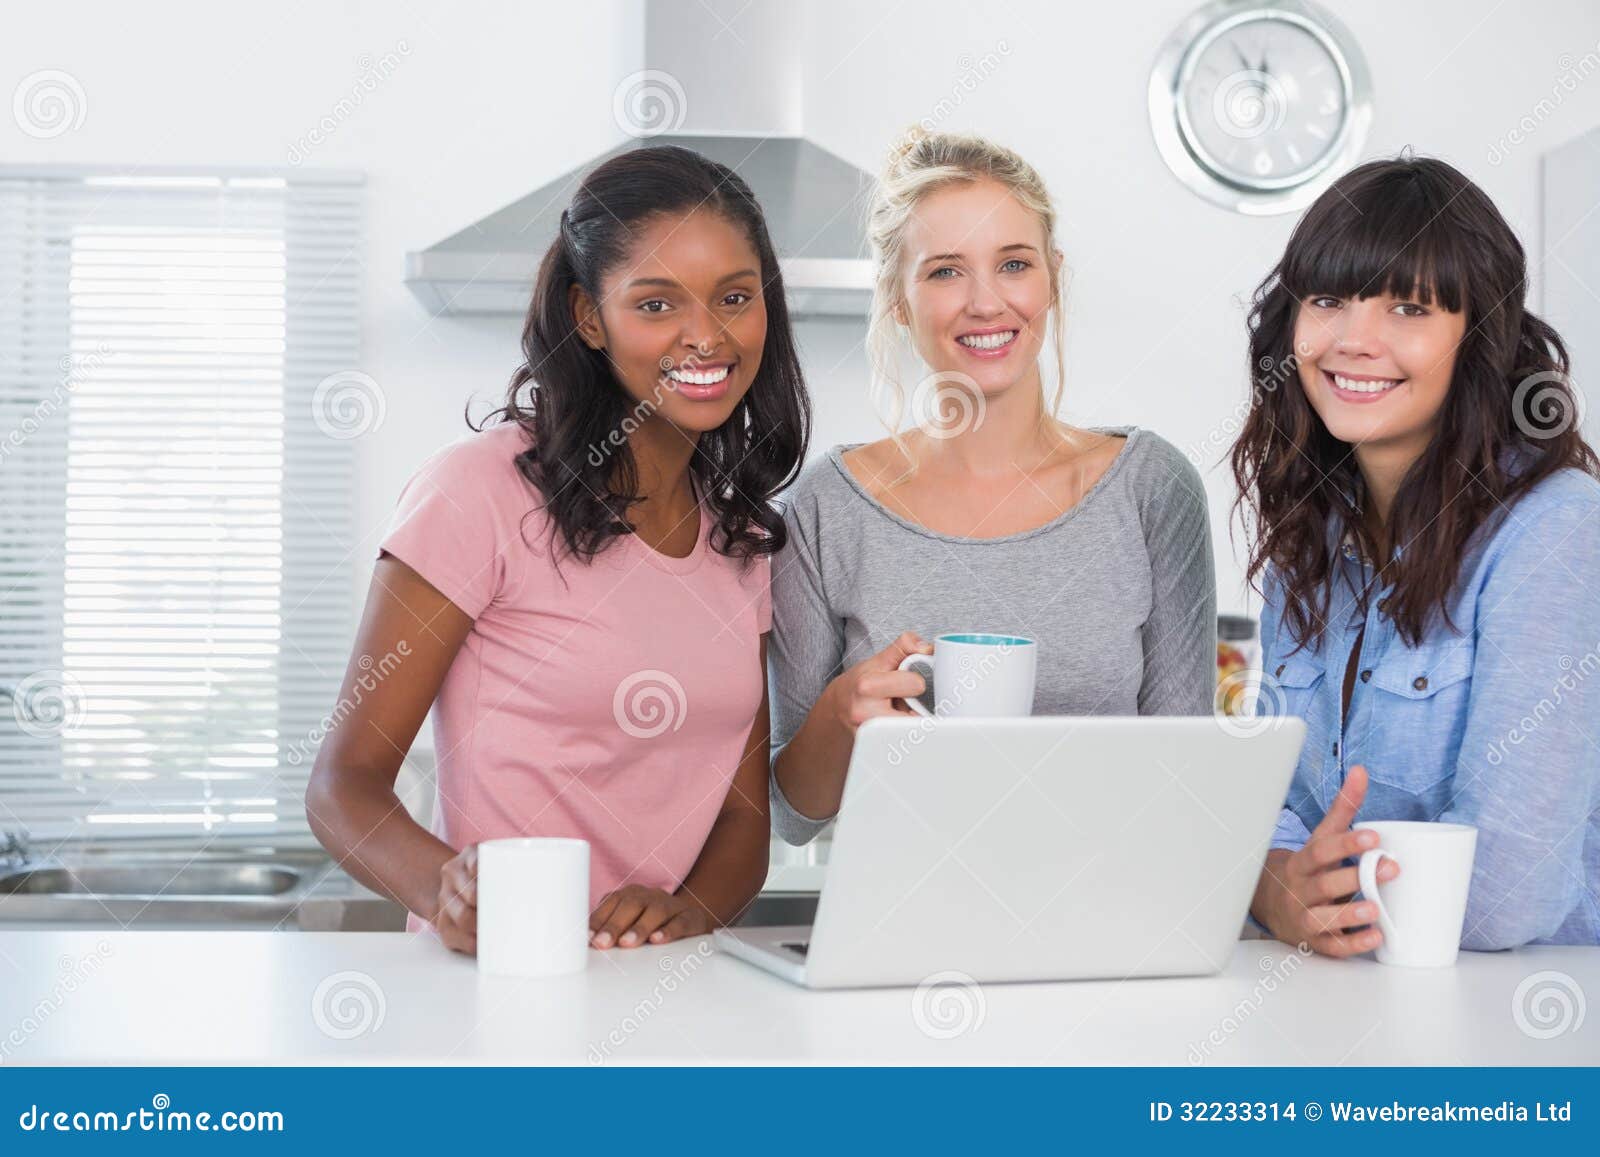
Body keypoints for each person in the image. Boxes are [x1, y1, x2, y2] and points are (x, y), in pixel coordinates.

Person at [306, 145, 810, 953]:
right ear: (588, 316)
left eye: (735, 297)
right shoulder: (478, 494)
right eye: (655, 305)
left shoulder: (741, 535)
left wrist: (688, 912)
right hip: (497, 990)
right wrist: (449, 889)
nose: (705, 336)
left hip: (664, 998)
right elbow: (342, 787)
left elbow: (744, 822)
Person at [769, 129, 1216, 843]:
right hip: (903, 923)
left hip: (1111, 919)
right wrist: (838, 712)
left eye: (1013, 264)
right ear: (898, 299)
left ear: (1052, 278)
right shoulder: (827, 506)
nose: (986, 303)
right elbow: (793, 812)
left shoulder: (1152, 488)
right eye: (945, 271)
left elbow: (1185, 773)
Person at [1235, 155, 1600, 954]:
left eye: (1408, 308)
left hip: (1530, 1008)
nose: (1355, 341)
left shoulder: (1553, 529)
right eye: (1328, 299)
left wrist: (1291, 889)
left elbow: (1505, 898)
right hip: (1354, 995)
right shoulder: (1311, 532)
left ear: (1478, 339)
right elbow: (1284, 805)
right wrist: (1277, 885)